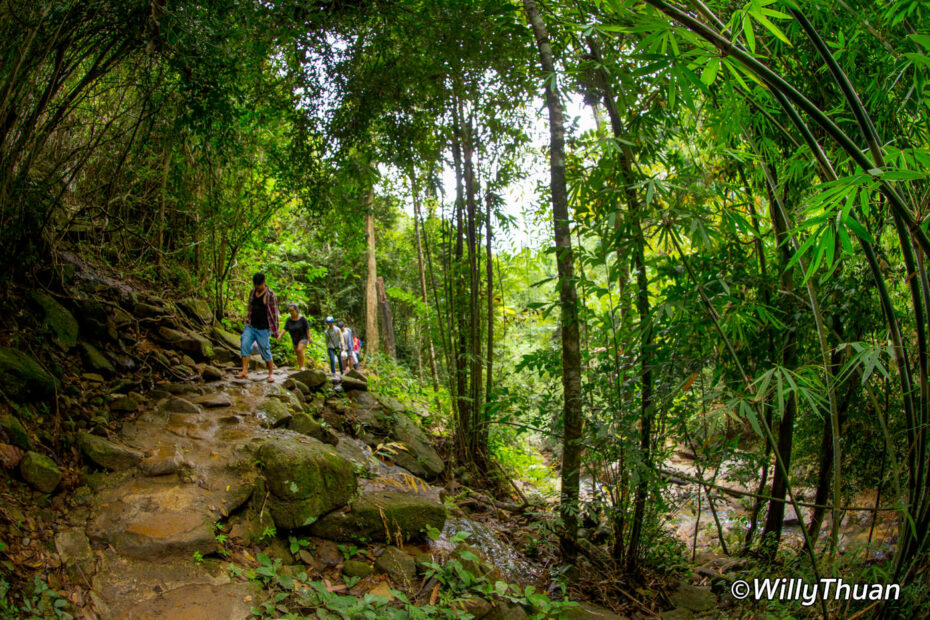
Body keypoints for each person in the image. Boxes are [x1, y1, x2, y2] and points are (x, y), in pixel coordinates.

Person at [238, 272, 280, 383]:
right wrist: (247, 320)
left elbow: (274, 314)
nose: (257, 287)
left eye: (259, 285)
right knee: (244, 343)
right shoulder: (252, 292)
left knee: (265, 349)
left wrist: (276, 332)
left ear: (263, 283)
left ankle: (270, 373)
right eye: (255, 284)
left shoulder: (270, 295)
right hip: (251, 326)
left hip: (263, 329)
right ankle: (244, 371)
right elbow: (250, 307)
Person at [283, 304, 312, 370]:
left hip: (304, 338)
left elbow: (307, 328)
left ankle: (302, 367)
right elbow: (285, 328)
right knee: (298, 353)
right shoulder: (289, 320)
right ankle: (300, 367)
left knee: (299, 349)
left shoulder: (302, 319)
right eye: (290, 311)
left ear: (296, 310)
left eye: (292, 310)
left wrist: (309, 337)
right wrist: (280, 336)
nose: (291, 312)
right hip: (295, 339)